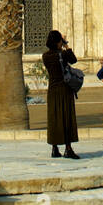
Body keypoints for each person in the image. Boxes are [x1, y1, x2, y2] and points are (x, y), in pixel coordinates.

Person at [42, 29, 80, 159]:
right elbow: (73, 59)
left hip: (52, 90)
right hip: (64, 89)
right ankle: (68, 148)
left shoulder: (45, 56)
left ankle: (54, 148)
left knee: (54, 119)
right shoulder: (63, 54)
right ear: (59, 42)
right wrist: (66, 45)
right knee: (66, 117)